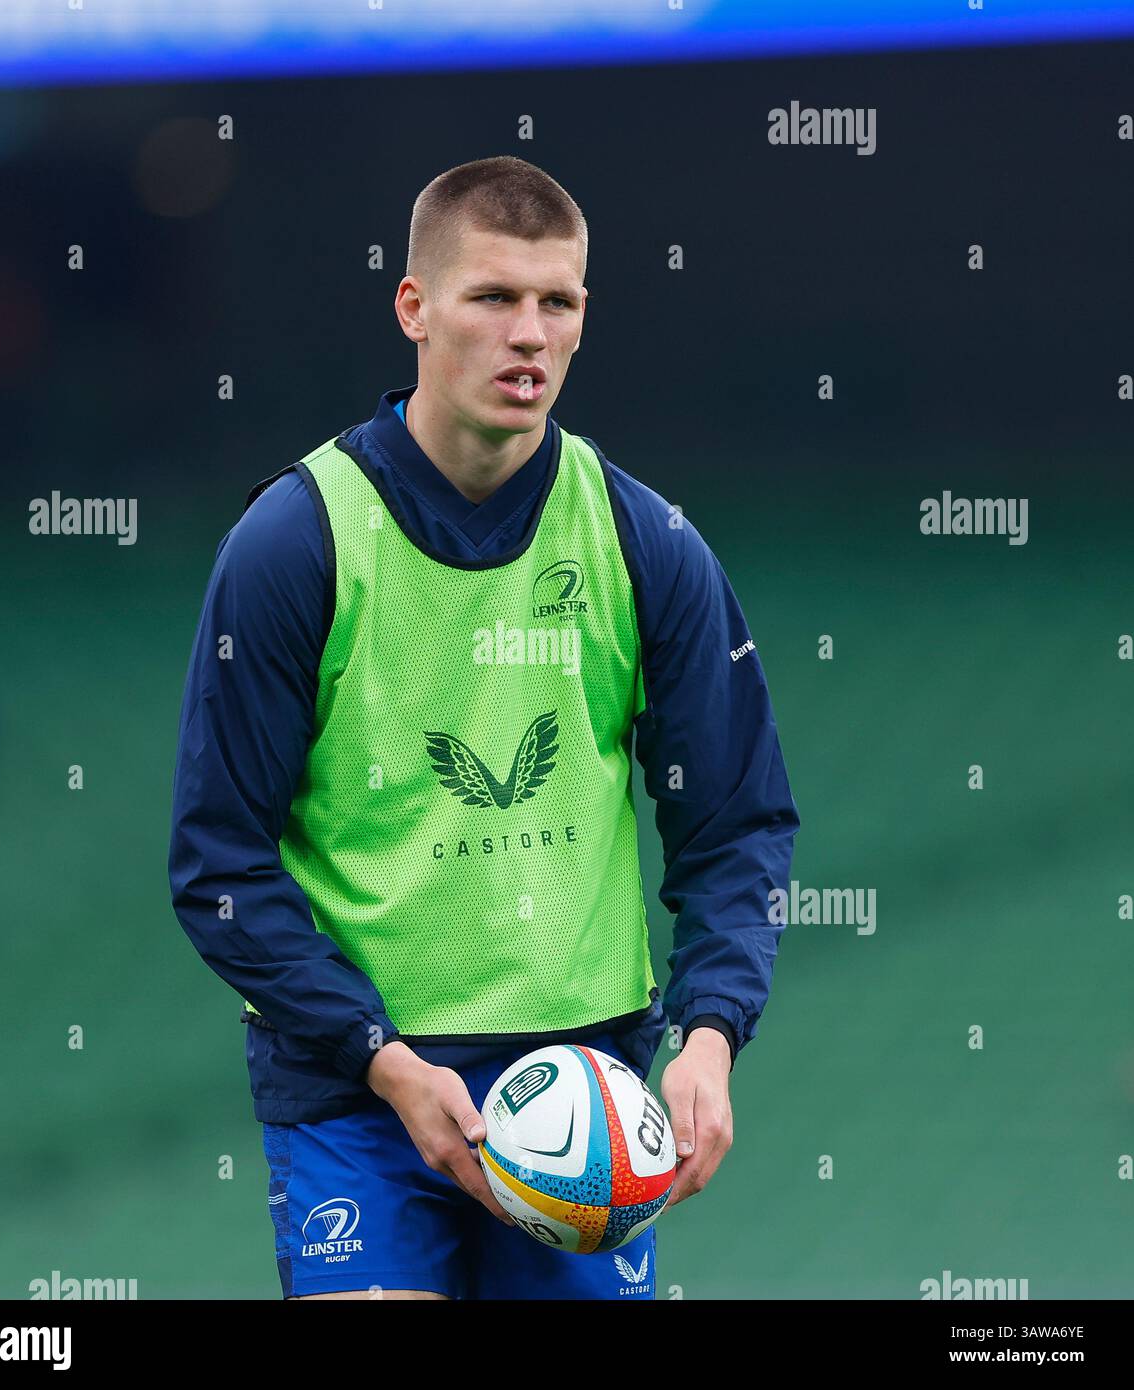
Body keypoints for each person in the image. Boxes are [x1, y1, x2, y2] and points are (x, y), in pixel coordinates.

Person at [168, 155, 799, 1300]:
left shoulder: (644, 541)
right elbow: (217, 865)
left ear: (582, 318)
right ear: (413, 308)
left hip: (583, 1096)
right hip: (358, 1094)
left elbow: (738, 823)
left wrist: (708, 1031)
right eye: (492, 298)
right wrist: (382, 1059)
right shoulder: (293, 542)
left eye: (555, 302)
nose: (528, 334)